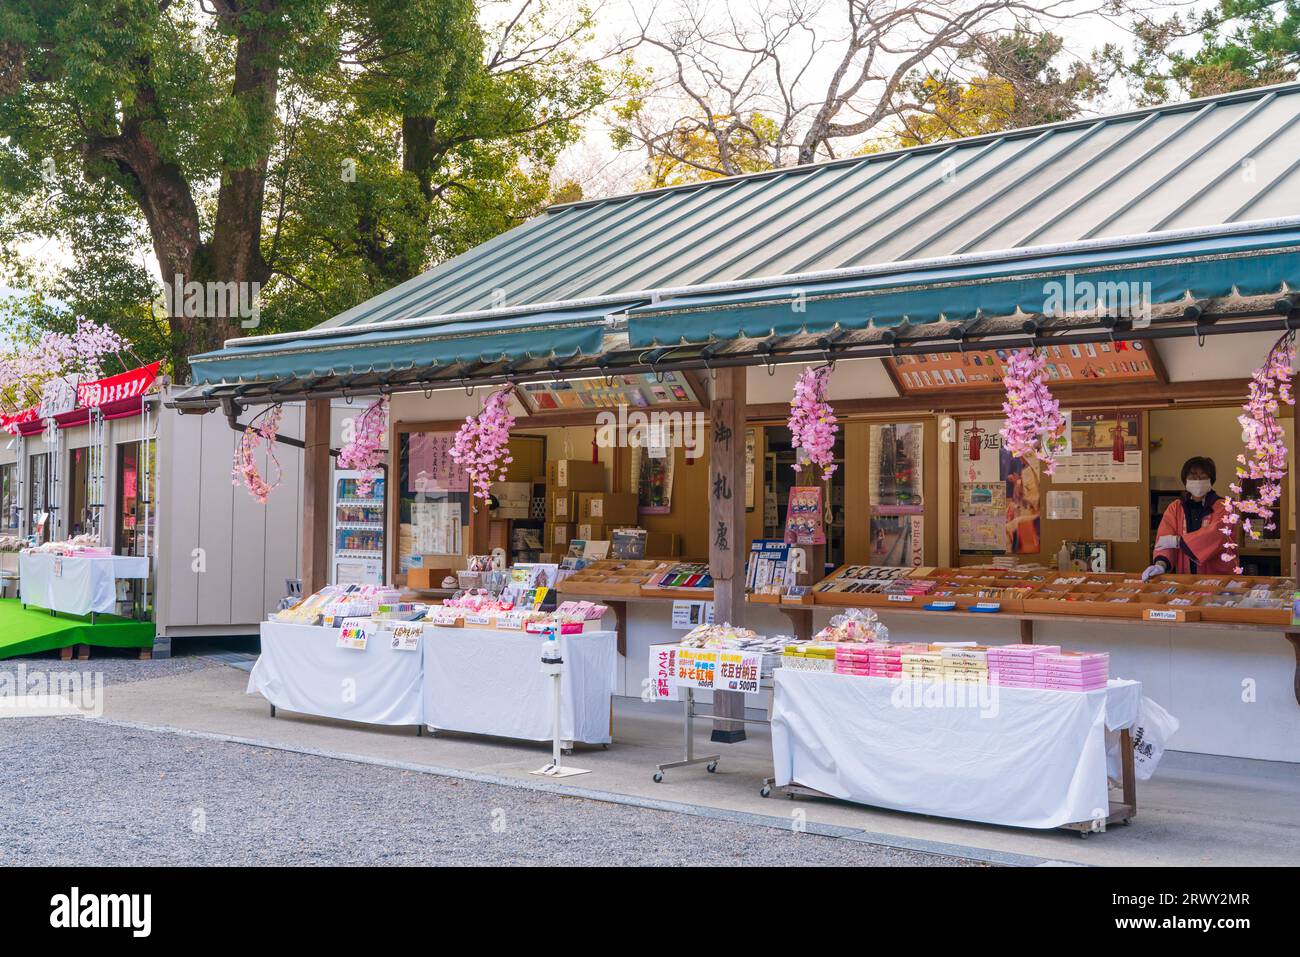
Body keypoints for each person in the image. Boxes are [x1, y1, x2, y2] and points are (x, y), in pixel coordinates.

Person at [1142, 456, 1235, 580]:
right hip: (1185, 579)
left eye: (1203, 476)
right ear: (1185, 480)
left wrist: (1178, 542)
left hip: (1218, 578)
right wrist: (1161, 564)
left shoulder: (1224, 507)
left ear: (1211, 480)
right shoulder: (1175, 508)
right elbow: (1164, 538)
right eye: (1193, 476)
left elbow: (1216, 535)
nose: (1198, 480)